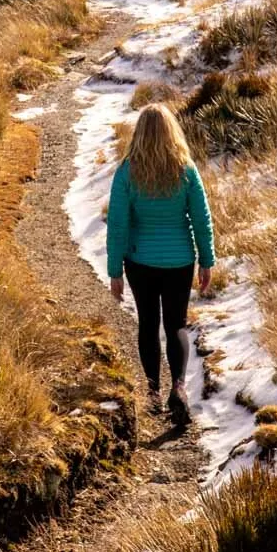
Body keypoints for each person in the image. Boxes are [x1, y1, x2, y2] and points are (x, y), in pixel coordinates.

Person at [106, 103, 216, 425]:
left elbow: (118, 225)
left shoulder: (127, 172)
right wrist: (206, 261)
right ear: (172, 132)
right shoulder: (186, 169)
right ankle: (179, 388)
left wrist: (115, 271)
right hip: (180, 260)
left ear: (139, 133)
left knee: (148, 324)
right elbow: (201, 218)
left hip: (140, 261)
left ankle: (153, 391)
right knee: (176, 325)